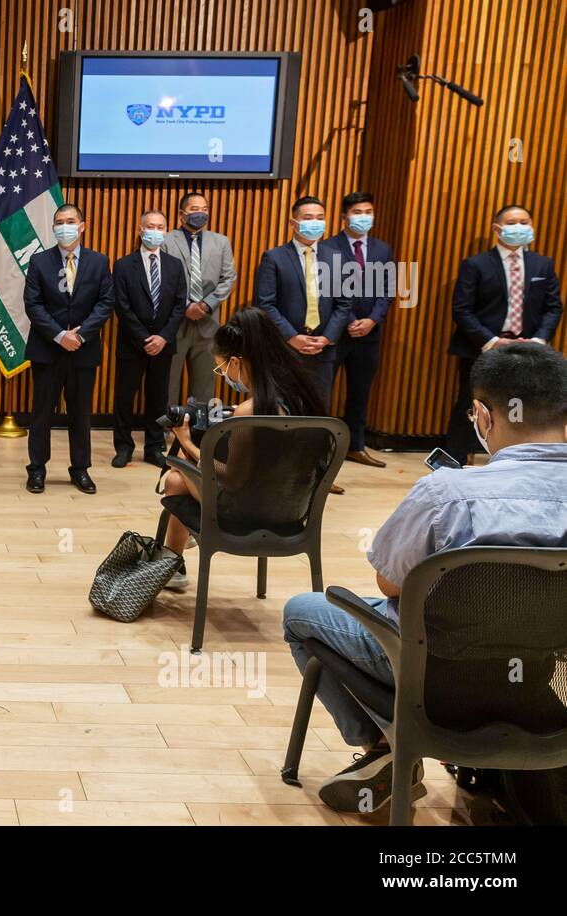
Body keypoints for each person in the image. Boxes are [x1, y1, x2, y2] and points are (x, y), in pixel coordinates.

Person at [283, 342, 567, 814]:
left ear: (481, 415)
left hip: (438, 681)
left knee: (301, 612)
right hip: (542, 685)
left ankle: (383, 748)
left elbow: (390, 585)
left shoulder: (446, 493)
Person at [159, 308, 328, 589]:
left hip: (245, 516)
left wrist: (186, 444)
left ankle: (172, 564)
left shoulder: (250, 412)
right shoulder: (301, 400)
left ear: (236, 362)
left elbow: (233, 477)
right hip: (293, 512)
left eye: (222, 368)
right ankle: (175, 560)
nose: (223, 375)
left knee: (176, 472)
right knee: (183, 468)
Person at [443, 204, 561, 464]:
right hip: (483, 347)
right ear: (497, 228)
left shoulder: (542, 264)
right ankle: (456, 457)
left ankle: (514, 458)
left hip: (528, 349)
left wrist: (539, 340)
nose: (519, 227)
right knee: (470, 402)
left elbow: (553, 307)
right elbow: (462, 309)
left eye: (525, 221)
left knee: (522, 404)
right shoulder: (476, 264)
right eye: (512, 222)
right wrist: (492, 341)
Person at [22, 203, 114, 494]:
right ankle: (37, 470)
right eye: (59, 222)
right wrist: (60, 335)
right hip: (48, 350)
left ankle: (80, 469)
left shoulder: (99, 262)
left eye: (70, 221)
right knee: (42, 414)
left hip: (83, 352)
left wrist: (82, 335)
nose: (65, 226)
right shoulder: (39, 261)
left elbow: (105, 302)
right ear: (53, 228)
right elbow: (33, 304)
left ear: (82, 226)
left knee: (80, 413)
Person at [254, 195, 353, 395]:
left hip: (323, 352)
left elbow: (344, 304)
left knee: (317, 412)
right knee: (283, 413)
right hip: (285, 349)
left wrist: (327, 337)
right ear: (293, 223)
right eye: (308, 218)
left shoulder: (336, 258)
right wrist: (291, 336)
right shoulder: (274, 257)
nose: (315, 223)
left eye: (320, 217)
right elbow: (264, 304)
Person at [111, 209, 187, 469]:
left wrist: (163, 337)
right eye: (150, 226)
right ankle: (123, 447)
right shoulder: (123, 265)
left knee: (157, 398)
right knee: (124, 398)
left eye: (160, 227)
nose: (155, 231)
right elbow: (121, 306)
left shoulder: (175, 265)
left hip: (163, 345)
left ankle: (154, 448)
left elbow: (179, 305)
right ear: (140, 230)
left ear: (166, 231)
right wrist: (145, 338)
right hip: (132, 344)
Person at [326, 192, 394, 468]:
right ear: (345, 216)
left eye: (368, 211)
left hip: (369, 334)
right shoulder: (328, 247)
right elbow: (327, 288)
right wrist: (351, 319)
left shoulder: (382, 249)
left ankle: (356, 446)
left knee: (360, 393)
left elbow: (388, 290)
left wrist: (372, 320)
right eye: (358, 211)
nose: (364, 216)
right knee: (323, 392)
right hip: (334, 332)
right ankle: (322, 449)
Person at [161, 191, 237, 407]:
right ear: (181, 214)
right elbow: (164, 280)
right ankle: (169, 429)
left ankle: (200, 431)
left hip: (208, 322)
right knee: (169, 380)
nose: (201, 213)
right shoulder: (167, 240)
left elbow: (228, 278)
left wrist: (206, 304)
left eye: (204, 209)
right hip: (174, 322)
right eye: (195, 209)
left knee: (206, 381)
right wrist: (186, 306)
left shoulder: (221, 242)